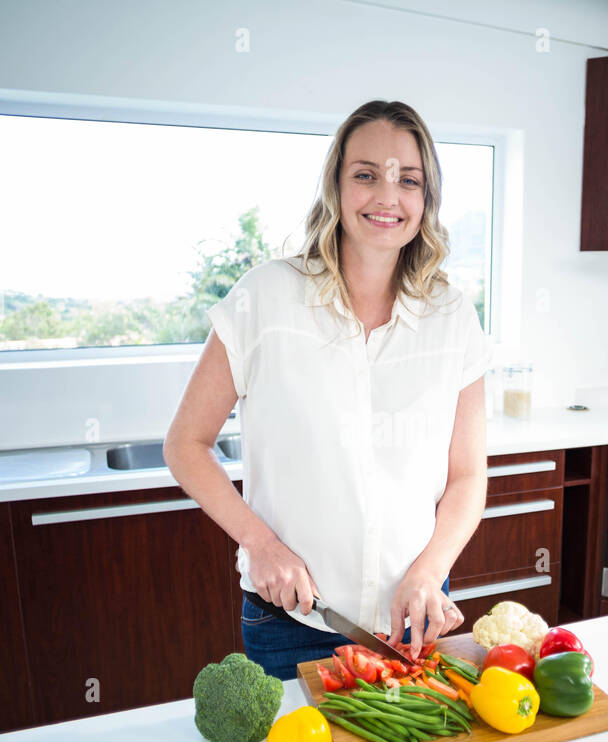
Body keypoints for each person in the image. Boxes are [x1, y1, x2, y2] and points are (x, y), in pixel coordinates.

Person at [164, 99, 491, 680]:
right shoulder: (266, 297)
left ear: (425, 200)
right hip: (296, 625)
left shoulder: (453, 315)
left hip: (415, 624)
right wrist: (260, 546)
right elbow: (186, 444)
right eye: (365, 174)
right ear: (336, 189)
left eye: (408, 179)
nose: (387, 196)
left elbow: (467, 475)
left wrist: (428, 571)